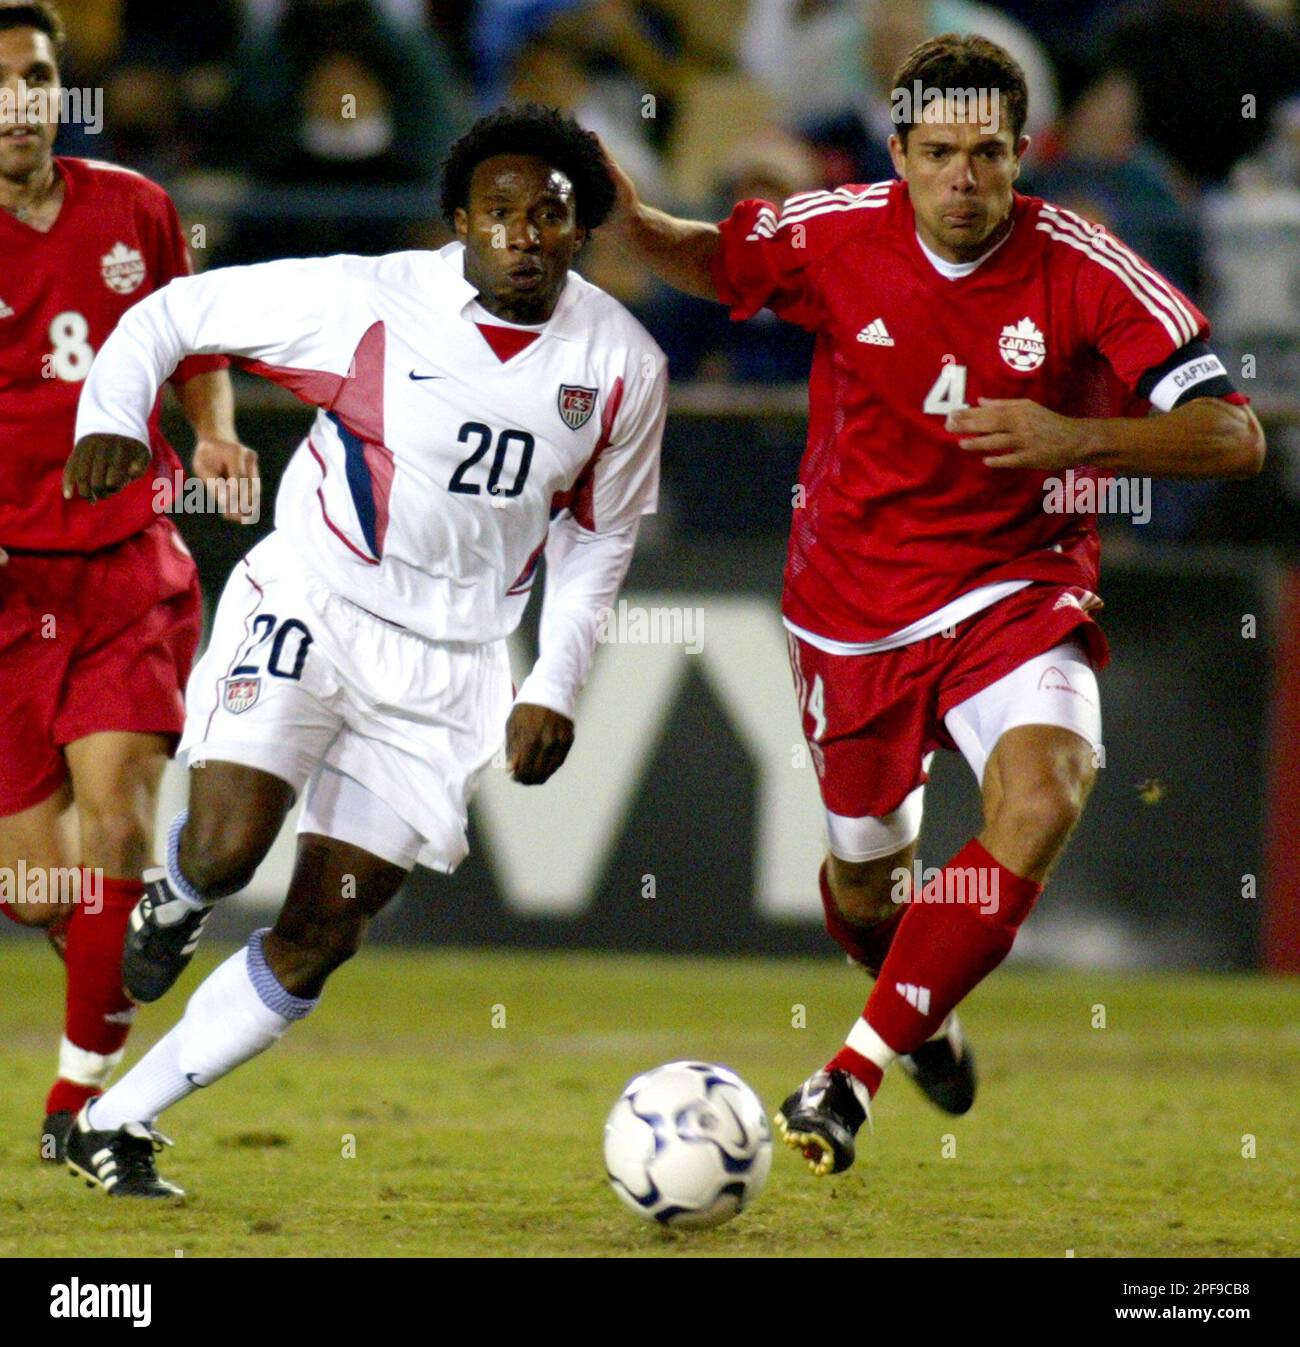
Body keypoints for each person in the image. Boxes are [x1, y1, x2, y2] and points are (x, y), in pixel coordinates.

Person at [604, 32, 1265, 1176]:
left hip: (1017, 589)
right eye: (942, 153)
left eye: (992, 156)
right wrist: (631, 222)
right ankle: (915, 1007)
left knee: (1046, 790)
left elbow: (1234, 434)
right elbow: (717, 261)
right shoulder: (833, 232)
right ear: (899, 152)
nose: (966, 180)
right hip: (850, 610)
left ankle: (844, 1078)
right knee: (869, 893)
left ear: (1024, 157)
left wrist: (1080, 435)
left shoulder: (1085, 265)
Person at [60, 103, 668, 1197]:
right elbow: (174, 311)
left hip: (454, 669)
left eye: (551, 216)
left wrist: (556, 679)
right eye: (500, 214)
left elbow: (601, 533)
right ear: (458, 224)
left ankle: (118, 1122)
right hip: (316, 599)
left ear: (582, 233)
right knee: (232, 845)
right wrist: (109, 411)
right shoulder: (367, 300)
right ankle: (180, 896)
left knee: (324, 930)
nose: (525, 235)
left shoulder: (623, 365)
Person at [0, 0, 254, 1163]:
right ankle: (106, 953)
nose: (20, 101)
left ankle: (80, 1109)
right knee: (46, 893)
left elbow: (193, 342)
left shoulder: (136, 209)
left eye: (37, 76)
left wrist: (210, 435)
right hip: (9, 589)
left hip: (125, 567)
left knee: (115, 826)